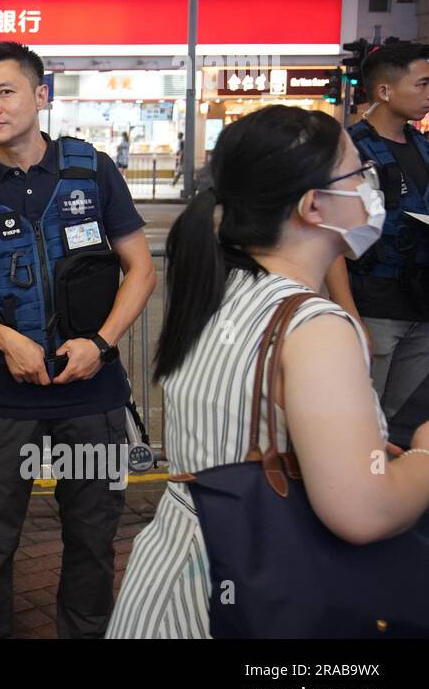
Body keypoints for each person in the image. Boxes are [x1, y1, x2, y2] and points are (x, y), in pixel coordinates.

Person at [108, 105, 429, 638]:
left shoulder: (218, 290)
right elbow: (363, 511)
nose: (372, 187)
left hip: (177, 580)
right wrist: (423, 453)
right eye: (359, 174)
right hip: (249, 598)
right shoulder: (314, 325)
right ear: (313, 205)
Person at [0, 42, 156, 639]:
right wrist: (5, 339)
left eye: (4, 92)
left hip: (93, 392)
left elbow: (141, 269)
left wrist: (102, 345)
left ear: (40, 96)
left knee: (93, 534)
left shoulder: (92, 169)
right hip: (6, 396)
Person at [326, 42, 429, 442]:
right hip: (374, 306)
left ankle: (390, 499)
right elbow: (333, 240)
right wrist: (350, 314)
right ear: (385, 91)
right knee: (360, 422)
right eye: (421, 85)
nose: (428, 95)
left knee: (401, 423)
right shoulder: (349, 149)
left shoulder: (422, 146)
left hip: (421, 308)